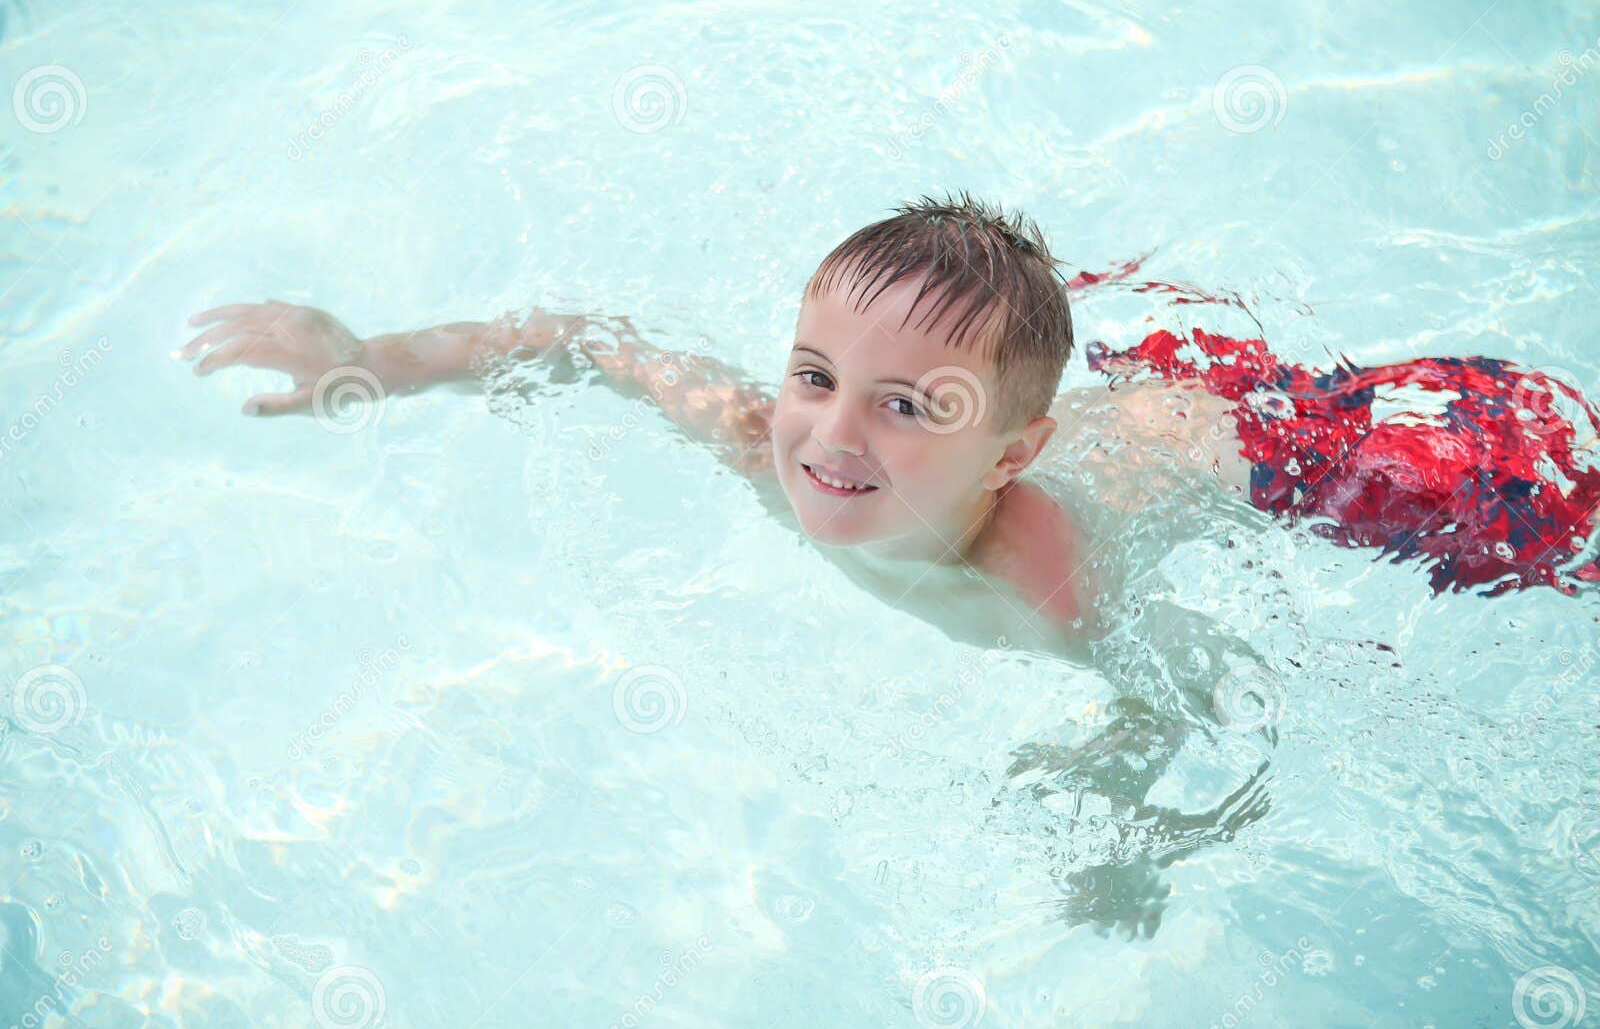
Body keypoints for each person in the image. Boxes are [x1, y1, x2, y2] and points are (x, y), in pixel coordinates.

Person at [177, 192, 1600, 660]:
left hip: (1333, 461)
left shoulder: (1037, 570)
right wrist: (375, 356)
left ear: (1010, 456)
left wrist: (1129, 824)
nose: (829, 433)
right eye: (815, 375)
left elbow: (1200, 686)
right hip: (1159, 391)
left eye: (905, 405)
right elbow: (579, 339)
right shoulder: (768, 439)